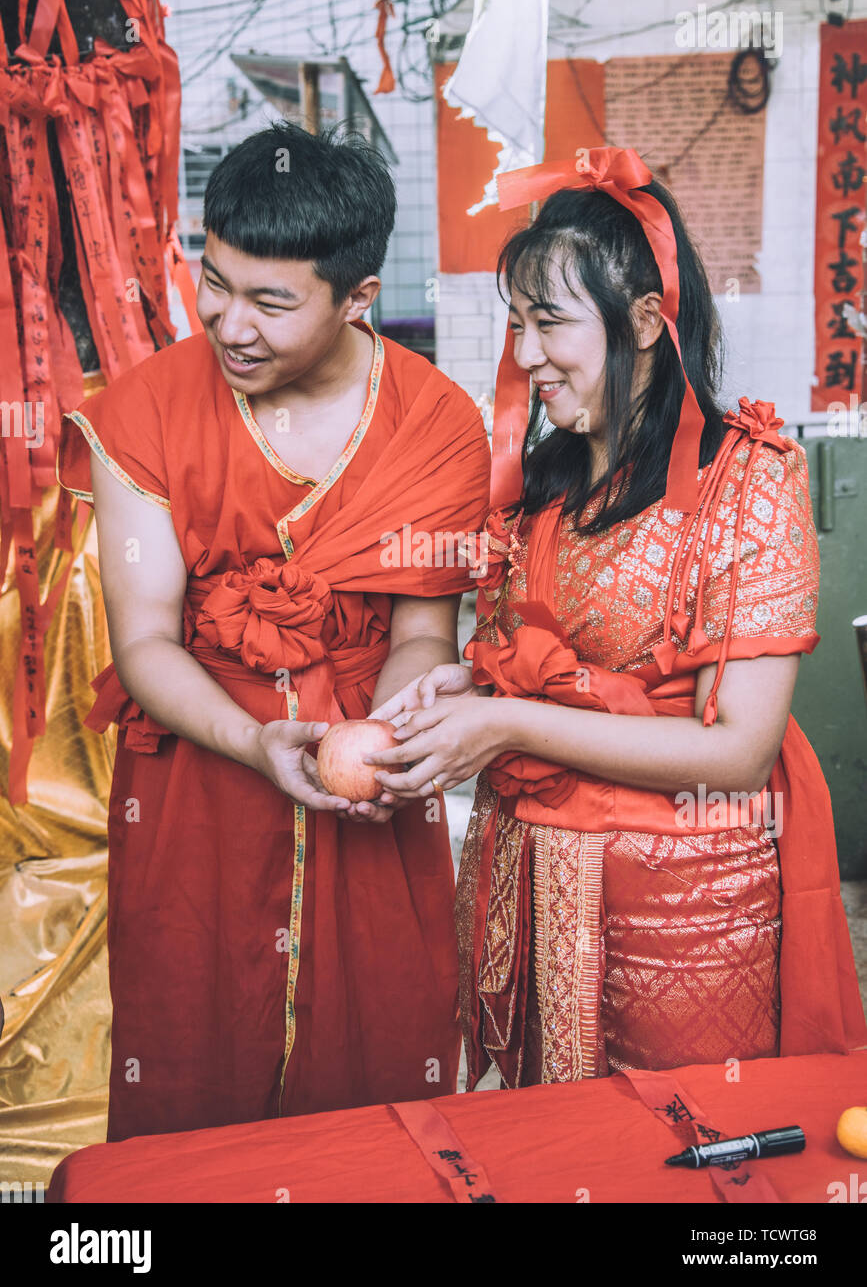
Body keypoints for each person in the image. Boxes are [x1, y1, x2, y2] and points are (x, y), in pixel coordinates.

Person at [367, 145, 867, 1089]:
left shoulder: (748, 481)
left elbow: (734, 752)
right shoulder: (539, 489)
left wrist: (505, 722)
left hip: (677, 912)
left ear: (644, 320)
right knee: (541, 1152)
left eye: (549, 323)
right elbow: (555, 664)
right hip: (526, 886)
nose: (524, 356)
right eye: (516, 325)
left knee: (675, 1157)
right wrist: (470, 681)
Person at [57, 121, 491, 1138]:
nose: (228, 323)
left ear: (358, 298)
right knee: (191, 1040)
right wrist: (256, 740)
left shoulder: (434, 422)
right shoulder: (148, 409)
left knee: (378, 1047)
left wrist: (390, 739)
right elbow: (147, 642)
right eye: (215, 282)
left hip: (365, 796)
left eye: (271, 301)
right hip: (198, 778)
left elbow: (422, 634)